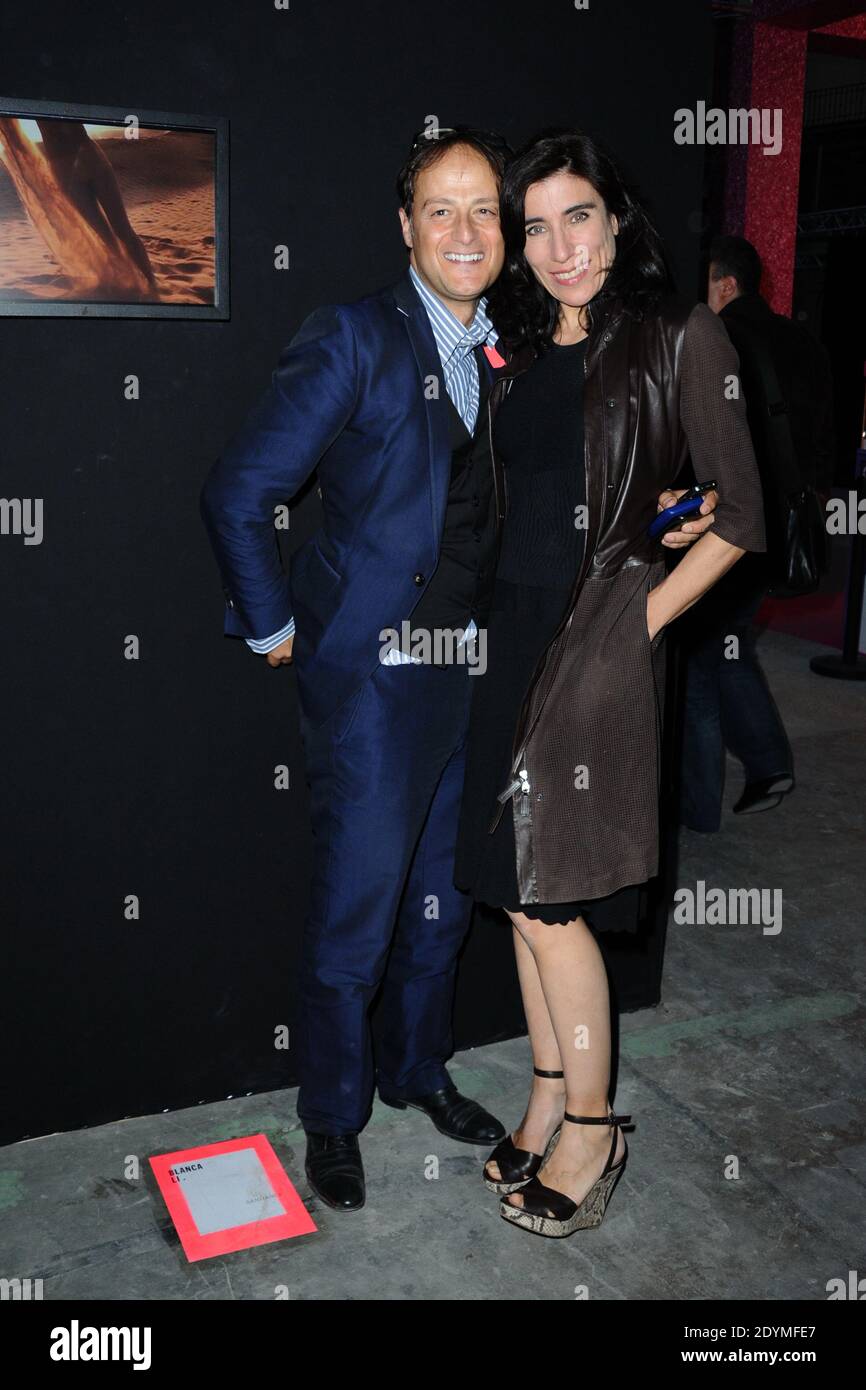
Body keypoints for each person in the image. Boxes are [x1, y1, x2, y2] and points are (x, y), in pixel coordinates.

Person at [200, 126, 716, 1216]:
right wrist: (272, 625)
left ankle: (416, 1070)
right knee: (359, 910)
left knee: (443, 906)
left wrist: (660, 518)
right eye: (442, 209)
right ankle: (332, 1114)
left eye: (488, 209)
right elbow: (238, 491)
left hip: (489, 675)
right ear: (406, 228)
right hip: (380, 681)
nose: (468, 230)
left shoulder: (515, 348)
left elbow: (553, 487)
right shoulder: (351, 336)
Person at [453, 129, 766, 1239]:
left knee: (551, 901)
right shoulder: (531, 350)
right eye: (532, 226)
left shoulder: (678, 336)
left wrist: (640, 619)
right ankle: (545, 1095)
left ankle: (593, 1122)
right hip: (514, 636)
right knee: (520, 897)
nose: (555, 246)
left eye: (574, 216)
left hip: (595, 640)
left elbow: (740, 515)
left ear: (616, 219)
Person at [677, 233, 835, 828]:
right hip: (785, 525)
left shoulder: (721, 338)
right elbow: (825, 440)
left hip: (735, 527)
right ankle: (769, 763)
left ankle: (695, 811)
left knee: (698, 660)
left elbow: (711, 446)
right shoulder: (806, 341)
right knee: (728, 647)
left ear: (724, 284)